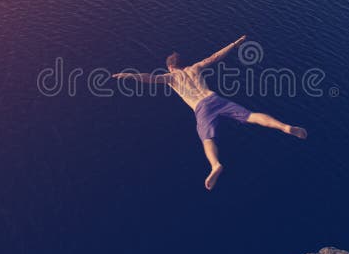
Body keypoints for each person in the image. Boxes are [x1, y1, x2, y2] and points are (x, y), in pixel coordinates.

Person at [112, 35, 307, 190]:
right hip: (214, 98)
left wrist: (128, 75)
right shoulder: (195, 68)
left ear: (170, 66)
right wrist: (235, 43)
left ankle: (215, 165)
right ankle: (285, 126)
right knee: (250, 115)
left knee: (207, 138)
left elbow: (149, 78)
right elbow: (216, 56)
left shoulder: (170, 77)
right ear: (182, 62)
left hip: (201, 107)